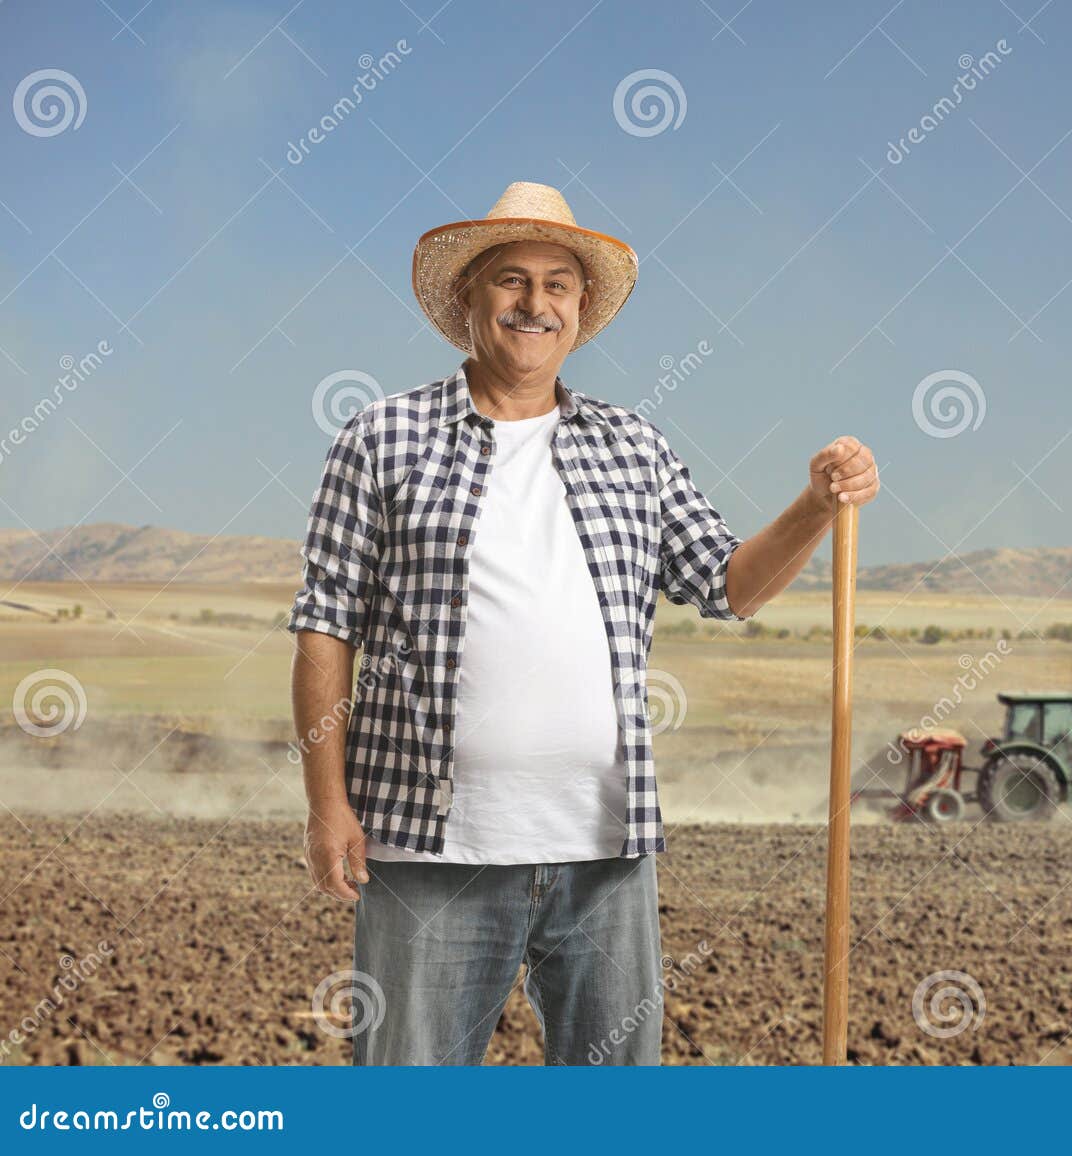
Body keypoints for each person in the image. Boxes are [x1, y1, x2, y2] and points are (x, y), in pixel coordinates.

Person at [286, 182, 879, 1064]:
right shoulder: (381, 438)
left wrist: (813, 507)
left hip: (604, 855)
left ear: (581, 308)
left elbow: (728, 586)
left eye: (557, 284)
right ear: (468, 300)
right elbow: (325, 625)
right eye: (511, 280)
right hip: (427, 852)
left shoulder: (632, 447)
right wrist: (326, 803)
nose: (535, 304)